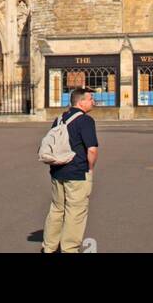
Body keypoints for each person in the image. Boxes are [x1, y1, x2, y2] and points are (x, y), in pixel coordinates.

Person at [41, 86, 99, 254]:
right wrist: (90, 168)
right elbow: (92, 149)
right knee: (76, 211)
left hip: (57, 170)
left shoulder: (59, 119)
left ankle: (49, 246)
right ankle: (69, 249)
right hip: (77, 172)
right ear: (81, 102)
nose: (93, 102)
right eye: (90, 99)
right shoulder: (86, 121)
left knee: (57, 208)